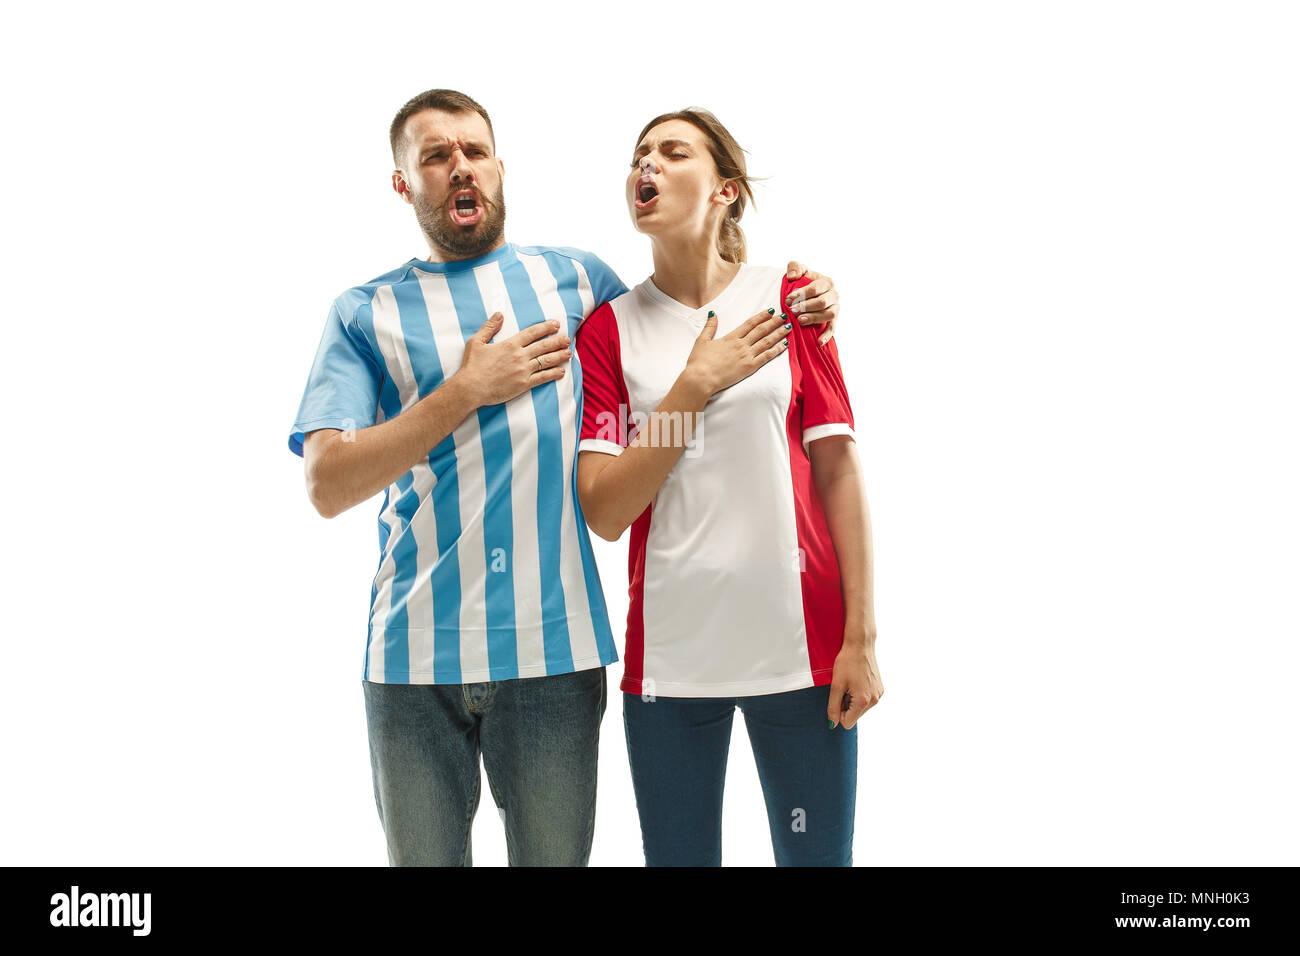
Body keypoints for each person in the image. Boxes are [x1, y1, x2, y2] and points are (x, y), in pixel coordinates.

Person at [286, 89, 843, 866]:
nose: (459, 167)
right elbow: (326, 485)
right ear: (402, 183)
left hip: (554, 659)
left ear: (500, 166)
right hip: (412, 665)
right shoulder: (362, 311)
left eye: (474, 151)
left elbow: (682, 313)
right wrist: (465, 391)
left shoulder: (580, 284)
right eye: (435, 157)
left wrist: (806, 296)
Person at [574, 108, 882, 867]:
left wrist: (862, 638)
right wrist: (693, 389)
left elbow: (839, 470)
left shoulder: (793, 299)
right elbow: (606, 509)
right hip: (668, 669)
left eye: (673, 152)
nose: (646, 164)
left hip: (802, 656)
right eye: (639, 154)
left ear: (726, 190)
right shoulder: (609, 330)